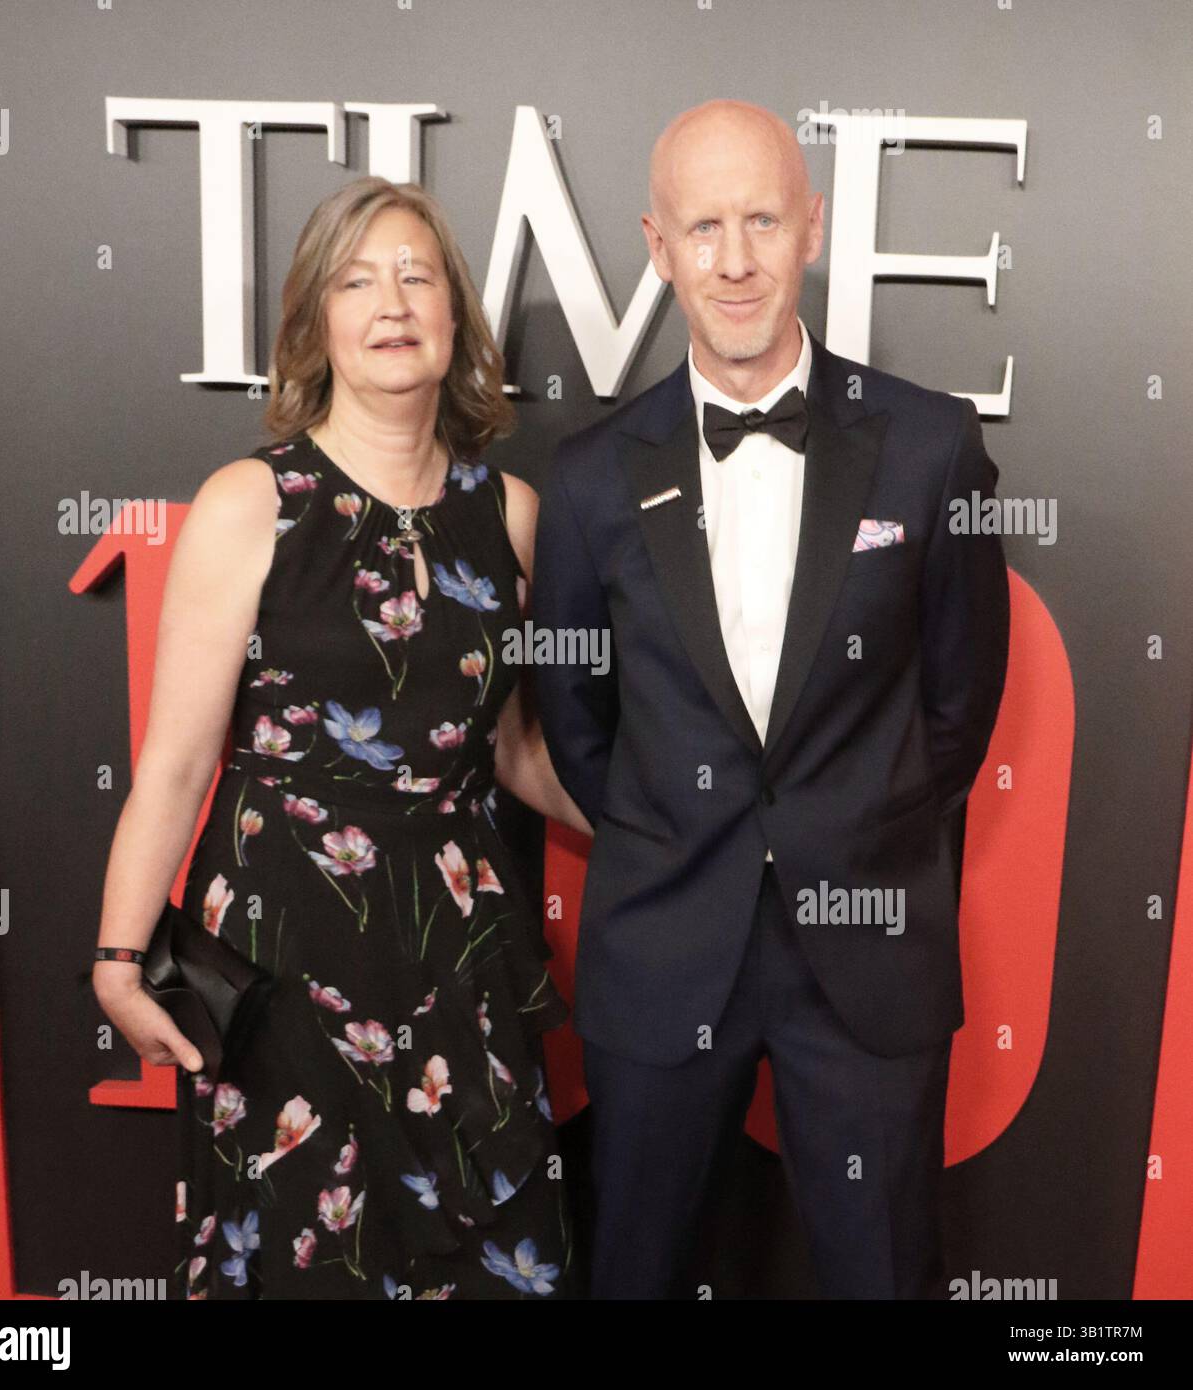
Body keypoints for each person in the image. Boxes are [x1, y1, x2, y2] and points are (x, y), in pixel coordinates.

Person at [532, 100, 1010, 1299]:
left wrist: (849, 824)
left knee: (884, 1276)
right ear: (656, 246)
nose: (732, 258)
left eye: (759, 219)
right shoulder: (591, 478)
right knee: (634, 1273)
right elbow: (578, 726)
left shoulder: (930, 447)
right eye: (702, 226)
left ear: (810, 229)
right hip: (662, 944)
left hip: (866, 950)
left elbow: (958, 706)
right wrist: (680, 830)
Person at [92, 174, 590, 1300]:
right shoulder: (249, 502)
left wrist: (680, 827)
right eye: (358, 279)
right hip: (281, 947)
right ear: (317, 320)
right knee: (298, 1254)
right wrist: (120, 955)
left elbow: (512, 749)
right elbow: (174, 761)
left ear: (455, 314)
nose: (392, 300)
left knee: (491, 1253)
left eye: (417, 275)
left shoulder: (506, 511)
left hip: (458, 948)